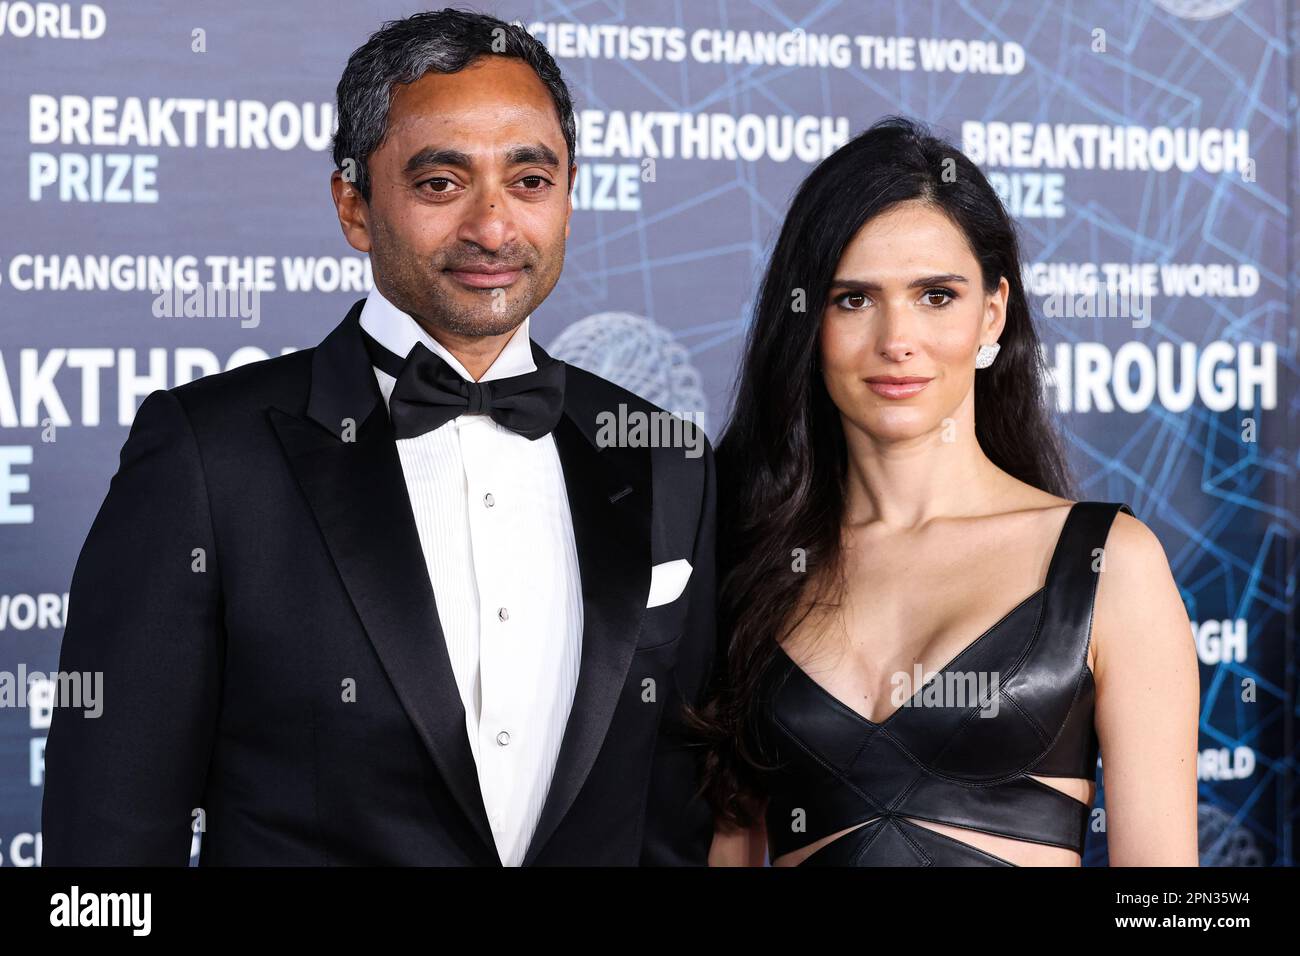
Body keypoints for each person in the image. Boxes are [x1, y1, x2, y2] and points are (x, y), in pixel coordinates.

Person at [42, 8, 716, 867]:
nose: (494, 228)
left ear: (571, 195)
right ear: (354, 207)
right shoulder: (209, 456)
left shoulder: (666, 458)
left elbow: (675, 822)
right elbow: (108, 840)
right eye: (441, 183)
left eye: (530, 181)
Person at [699, 116, 1199, 867]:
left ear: (991, 313)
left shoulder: (1109, 564)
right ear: (807, 322)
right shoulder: (748, 558)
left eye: (936, 296)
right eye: (853, 299)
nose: (897, 339)